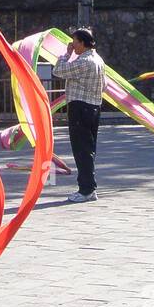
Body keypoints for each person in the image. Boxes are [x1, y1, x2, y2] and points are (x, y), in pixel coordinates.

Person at [51, 27, 105, 203]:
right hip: (94, 108)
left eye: (74, 42)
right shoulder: (98, 60)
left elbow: (58, 71)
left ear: (82, 43)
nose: (72, 45)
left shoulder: (83, 62)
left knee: (81, 150)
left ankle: (86, 190)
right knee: (89, 150)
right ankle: (89, 187)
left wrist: (66, 55)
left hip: (80, 108)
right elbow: (104, 85)